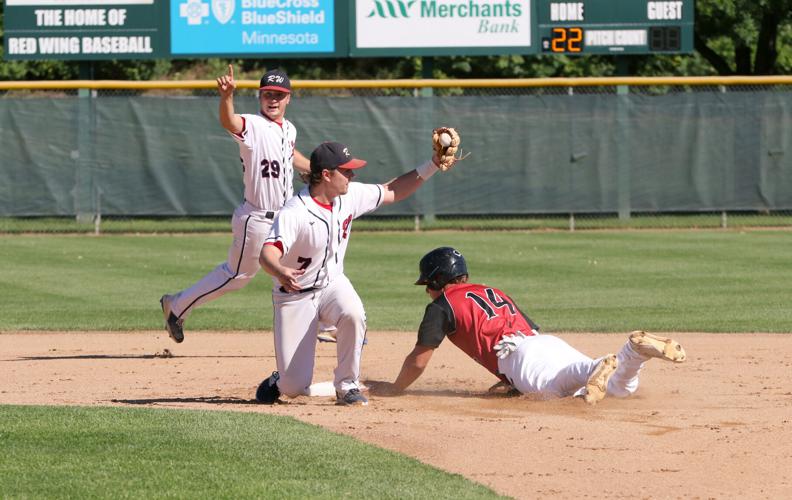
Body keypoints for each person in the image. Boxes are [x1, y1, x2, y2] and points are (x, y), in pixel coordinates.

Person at [255, 139, 455, 406]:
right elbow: (267, 254)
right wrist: (280, 270)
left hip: (332, 284)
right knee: (293, 386)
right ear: (327, 175)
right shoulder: (295, 212)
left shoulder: (348, 197)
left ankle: (347, 385)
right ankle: (279, 380)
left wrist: (433, 164)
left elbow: (392, 190)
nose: (352, 175)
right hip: (295, 295)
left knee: (353, 313)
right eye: (346, 170)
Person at [370, 247, 687, 404]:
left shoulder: (442, 305)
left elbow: (419, 360)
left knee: (559, 394)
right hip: (544, 343)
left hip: (518, 358)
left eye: (428, 283)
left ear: (439, 280)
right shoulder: (492, 291)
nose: (427, 290)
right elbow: (522, 329)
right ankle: (632, 353)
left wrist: (396, 388)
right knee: (610, 387)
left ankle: (604, 363)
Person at [159, 65, 318, 343]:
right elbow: (229, 122)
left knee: (307, 263)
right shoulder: (253, 125)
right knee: (237, 276)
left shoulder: (289, 129)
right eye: (267, 94)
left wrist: (318, 169)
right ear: (260, 96)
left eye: (279, 95)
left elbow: (291, 154)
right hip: (257, 219)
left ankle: (322, 321)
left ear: (289, 98)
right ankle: (176, 306)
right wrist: (226, 97)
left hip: (286, 218)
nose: (273, 99)